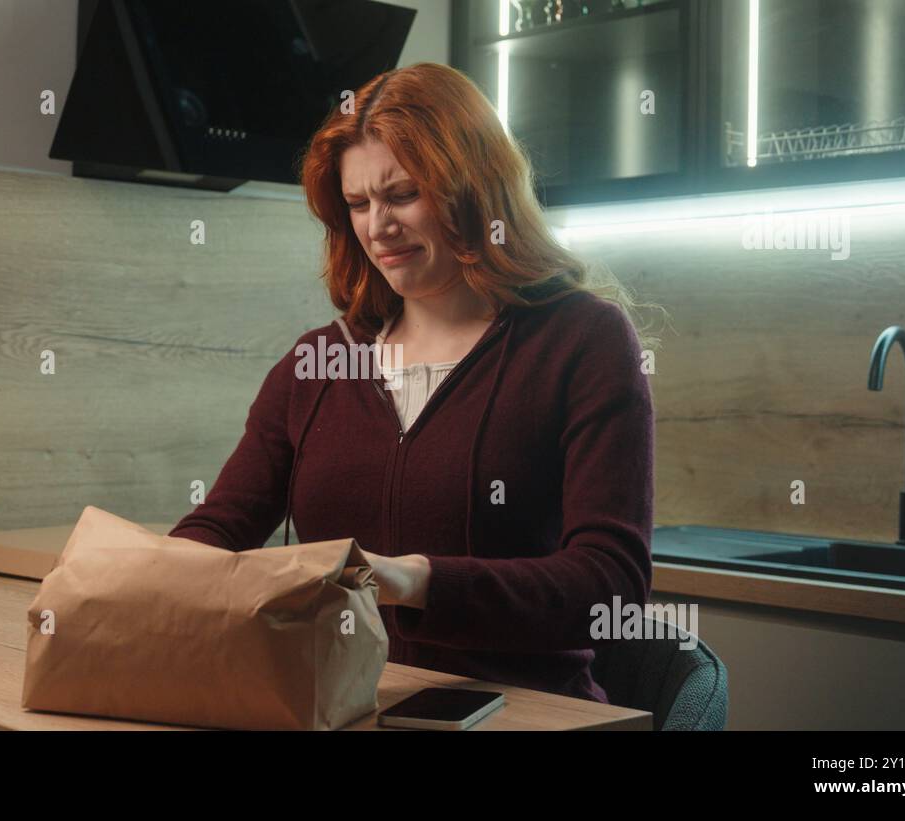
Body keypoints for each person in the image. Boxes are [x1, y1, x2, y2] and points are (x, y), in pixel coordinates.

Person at [169, 62, 659, 703]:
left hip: (521, 713)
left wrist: (414, 580)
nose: (377, 226)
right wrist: (144, 572)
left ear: (476, 190)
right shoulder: (319, 362)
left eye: (402, 196)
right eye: (357, 204)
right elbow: (223, 526)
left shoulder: (582, 342)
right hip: (339, 706)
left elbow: (610, 584)